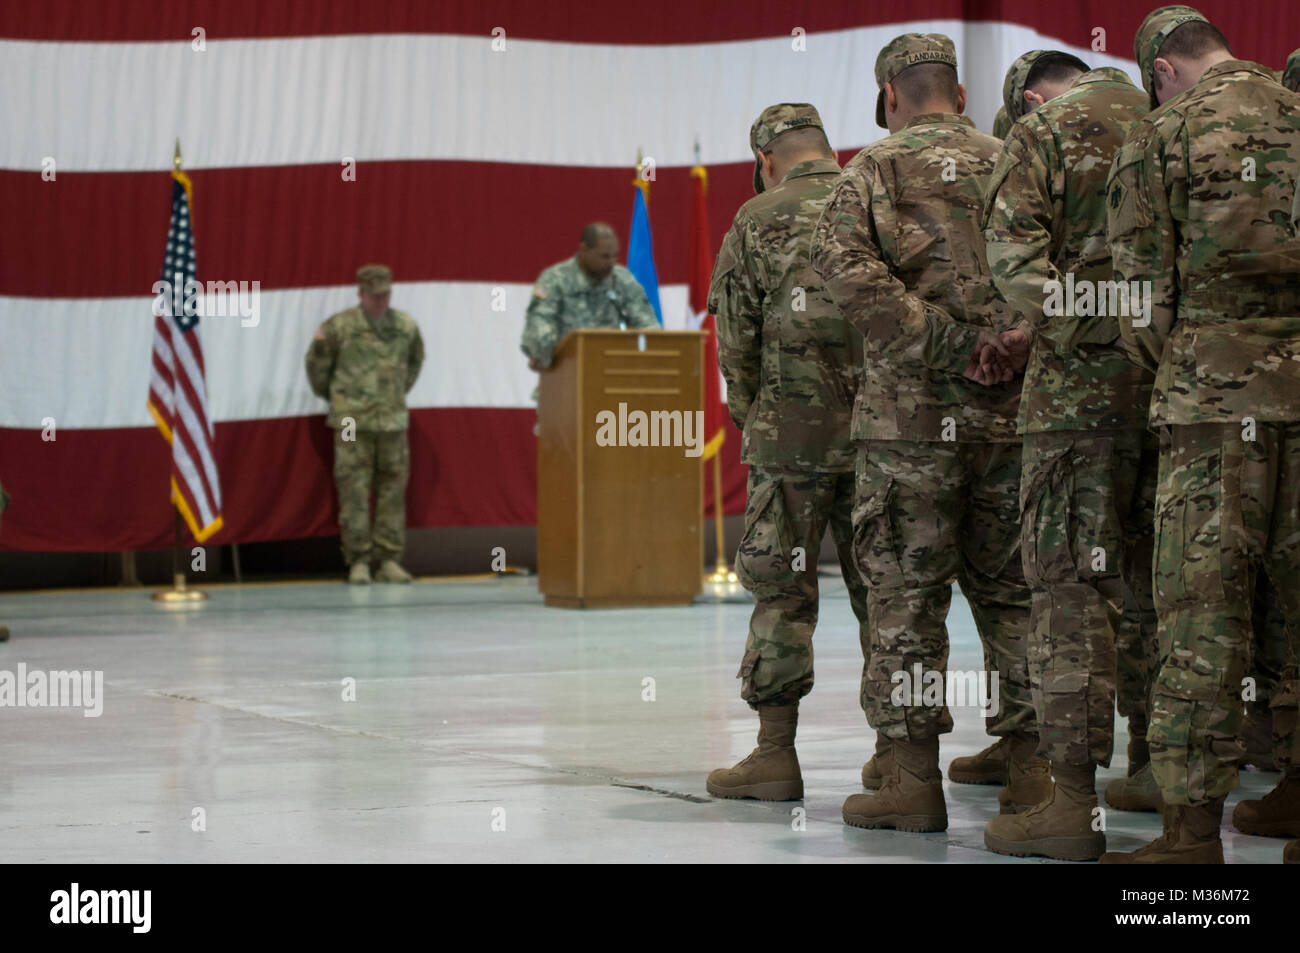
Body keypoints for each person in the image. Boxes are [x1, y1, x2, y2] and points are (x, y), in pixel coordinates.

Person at [811, 33, 1038, 834]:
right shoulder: (1014, 159)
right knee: (1016, 593)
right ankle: (1037, 775)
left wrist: (945, 343)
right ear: (962, 95)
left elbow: (844, 272)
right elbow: (1067, 263)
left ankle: (910, 778)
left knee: (907, 598)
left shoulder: (871, 169)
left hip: (910, 426)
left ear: (889, 97)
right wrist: (1012, 340)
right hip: (1009, 416)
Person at [1102, 5, 1300, 865]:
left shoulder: (1162, 133)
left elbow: (1140, 293)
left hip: (1211, 405)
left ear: (1162, 71)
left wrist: (1189, 362)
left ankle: (1189, 834)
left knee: (1201, 613)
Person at [979, 49, 1156, 860]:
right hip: (1172, 391)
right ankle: (1159, 770)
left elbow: (1014, 262)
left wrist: (1071, 326)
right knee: (1160, 583)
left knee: (1067, 588)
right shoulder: (1169, 115)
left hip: (1075, 401)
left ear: (1030, 97)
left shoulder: (1044, 131)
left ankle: (1073, 802)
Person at [704, 104, 870, 801]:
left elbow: (736, 342)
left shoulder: (756, 218)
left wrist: (758, 417)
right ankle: (902, 761)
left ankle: (776, 755)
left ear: (766, 160)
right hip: (883, 438)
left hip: (790, 441)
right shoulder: (873, 195)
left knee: (781, 593)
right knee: (890, 596)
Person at [305, 264, 425, 585]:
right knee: (353, 488)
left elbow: (414, 363)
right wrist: (341, 399)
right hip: (350, 420)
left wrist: (392, 395)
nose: (380, 301)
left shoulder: (405, 327)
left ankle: (388, 559)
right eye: (374, 296)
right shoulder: (338, 327)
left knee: (392, 490)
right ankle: (358, 560)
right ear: (360, 294)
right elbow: (317, 369)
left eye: (385, 295)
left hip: (391, 420)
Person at [520, 224, 658, 389]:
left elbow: (647, 324)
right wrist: (545, 354)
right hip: (564, 380)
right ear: (584, 249)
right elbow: (540, 322)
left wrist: (645, 354)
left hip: (613, 380)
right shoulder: (556, 279)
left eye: (615, 256)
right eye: (604, 256)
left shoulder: (622, 279)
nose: (611, 263)